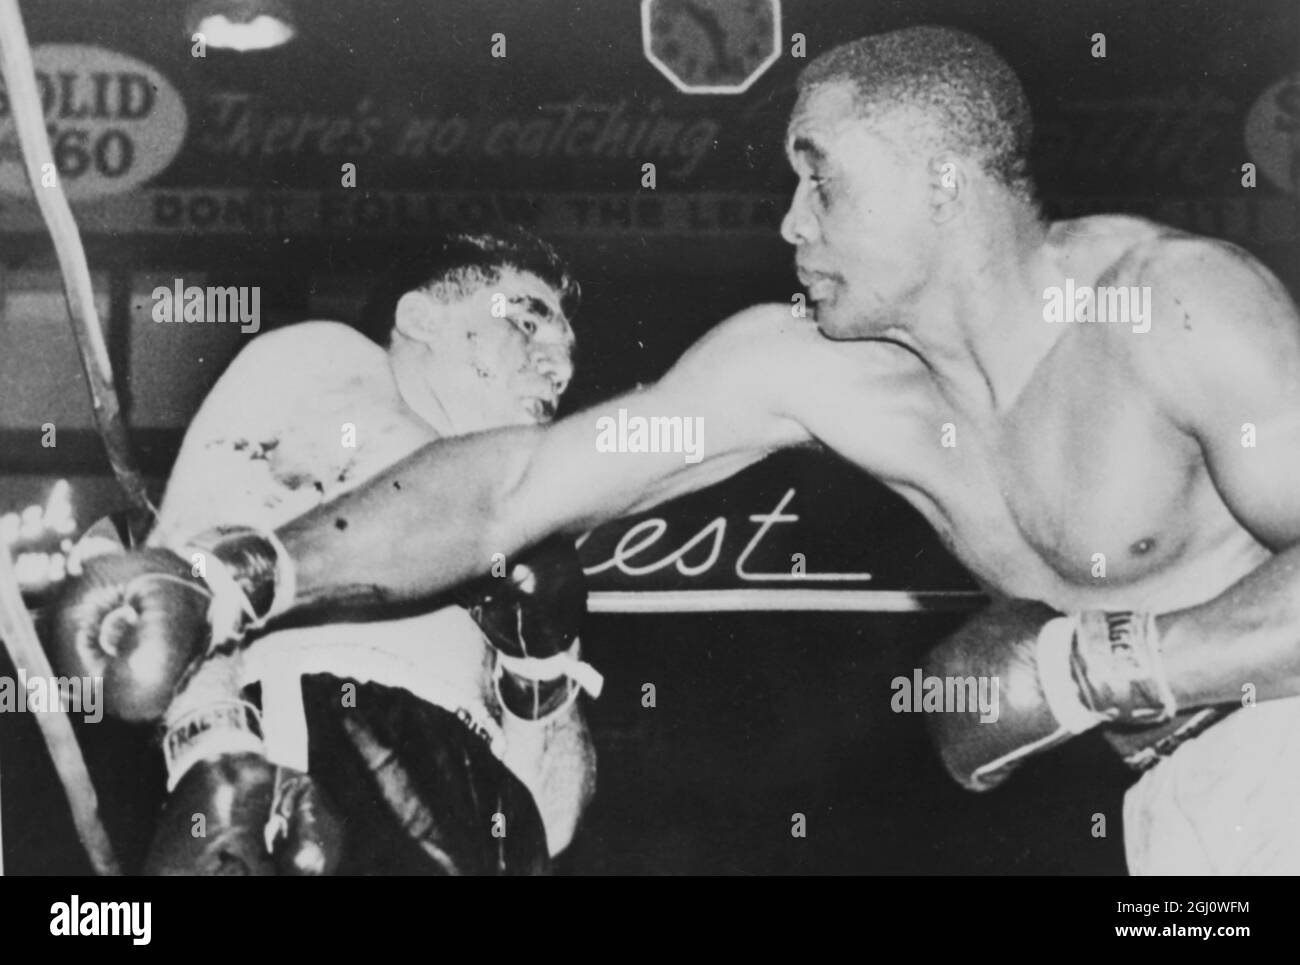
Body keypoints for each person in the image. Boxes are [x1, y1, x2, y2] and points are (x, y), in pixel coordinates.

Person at [55, 26, 1300, 874]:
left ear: (941, 179)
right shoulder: (808, 367)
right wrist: (237, 575)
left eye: (819, 177)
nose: (787, 219)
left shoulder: (1171, 305)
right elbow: (512, 486)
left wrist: (1093, 668)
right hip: (1174, 809)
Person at [67, 229, 599, 874]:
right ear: (421, 317)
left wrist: (539, 670)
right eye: (528, 322)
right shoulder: (336, 365)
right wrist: (219, 759)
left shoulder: (519, 517)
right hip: (330, 738)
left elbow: (555, 820)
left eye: (566, 352)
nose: (559, 367)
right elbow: (189, 570)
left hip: (487, 810)